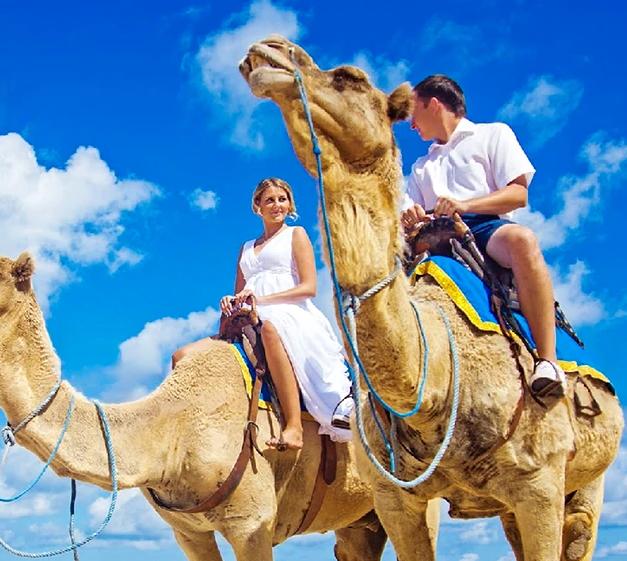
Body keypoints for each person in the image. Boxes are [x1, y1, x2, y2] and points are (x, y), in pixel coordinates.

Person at [399, 74, 566, 399]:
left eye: (413, 112)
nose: (411, 125)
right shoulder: (421, 167)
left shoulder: (493, 134)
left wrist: (464, 205)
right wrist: (412, 216)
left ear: (433, 104)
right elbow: (410, 214)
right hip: (434, 240)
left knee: (523, 240)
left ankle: (548, 361)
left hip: (486, 227)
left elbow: (518, 194)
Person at [173, 178, 354, 450]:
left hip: (290, 311)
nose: (276, 205)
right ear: (258, 206)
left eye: (282, 199)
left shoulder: (296, 235)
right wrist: (230, 302)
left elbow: (309, 287)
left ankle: (293, 427)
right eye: (269, 200)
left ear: (290, 204)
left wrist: (262, 300)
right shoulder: (245, 248)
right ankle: (189, 427)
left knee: (270, 328)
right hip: (249, 314)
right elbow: (239, 293)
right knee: (181, 356)